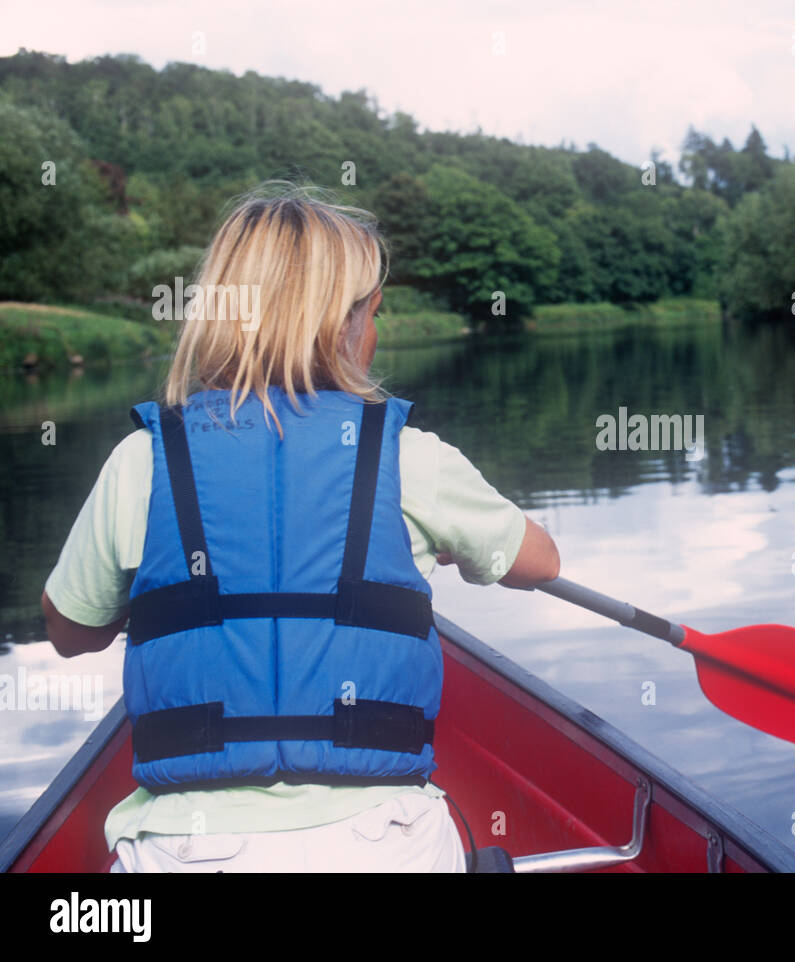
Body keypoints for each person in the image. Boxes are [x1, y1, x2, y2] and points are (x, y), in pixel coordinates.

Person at [40, 183, 561, 873]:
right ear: (341, 325)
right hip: (382, 843)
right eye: (374, 312)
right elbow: (541, 563)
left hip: (191, 851)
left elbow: (69, 632)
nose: (376, 329)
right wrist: (468, 550)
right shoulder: (411, 456)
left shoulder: (144, 459)